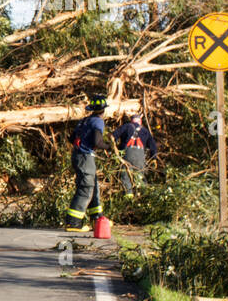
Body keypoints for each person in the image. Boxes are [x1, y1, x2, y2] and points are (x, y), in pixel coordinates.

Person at [64, 93, 108, 232]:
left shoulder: (84, 120)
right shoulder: (97, 121)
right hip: (85, 156)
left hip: (78, 156)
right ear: (104, 110)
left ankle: (97, 218)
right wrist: (110, 147)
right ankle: (74, 223)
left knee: (93, 185)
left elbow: (71, 138)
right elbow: (97, 141)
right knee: (86, 188)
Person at [112, 111, 158, 197]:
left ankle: (128, 197)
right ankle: (142, 197)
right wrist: (154, 158)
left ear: (131, 121)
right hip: (140, 157)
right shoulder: (145, 131)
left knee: (125, 176)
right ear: (140, 122)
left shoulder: (126, 126)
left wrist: (113, 149)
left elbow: (113, 136)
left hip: (126, 155)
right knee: (140, 176)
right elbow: (153, 146)